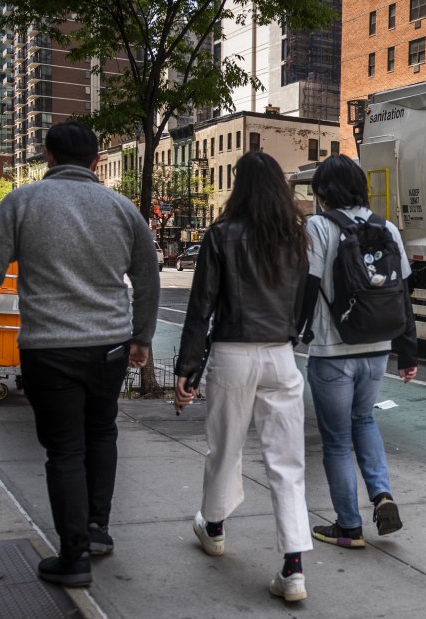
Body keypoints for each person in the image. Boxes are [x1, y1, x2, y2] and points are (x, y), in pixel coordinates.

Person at [0, 120, 160, 587]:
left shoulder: (23, 202)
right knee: (102, 432)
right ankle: (97, 530)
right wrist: (141, 338)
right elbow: (148, 277)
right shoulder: (122, 208)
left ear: (48, 157)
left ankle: (73, 557)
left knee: (64, 449)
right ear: (94, 162)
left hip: (48, 347)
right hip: (108, 344)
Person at [174, 151, 313, 602]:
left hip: (233, 351)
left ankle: (213, 527)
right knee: (287, 462)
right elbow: (301, 300)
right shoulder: (295, 235)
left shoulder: (221, 235)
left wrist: (187, 370)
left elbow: (202, 307)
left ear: (239, 186)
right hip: (280, 355)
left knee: (225, 448)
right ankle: (293, 568)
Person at [297, 154, 418, 550]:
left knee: (335, 441)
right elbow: (403, 294)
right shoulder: (388, 229)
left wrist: (295, 332)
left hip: (333, 350)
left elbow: (308, 285)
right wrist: (409, 353)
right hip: (378, 348)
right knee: (364, 421)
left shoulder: (317, 226)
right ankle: (382, 494)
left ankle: (349, 526)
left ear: (324, 192)